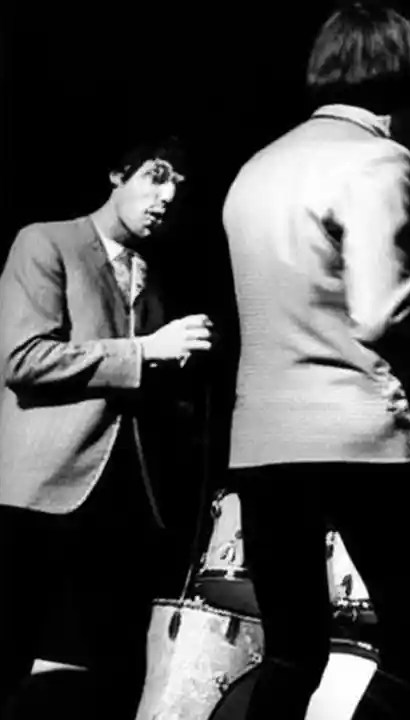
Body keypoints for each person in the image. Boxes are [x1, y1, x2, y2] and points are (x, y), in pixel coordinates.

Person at [221, 2, 410, 718]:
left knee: (294, 650)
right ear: (405, 81)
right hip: (361, 441)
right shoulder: (378, 159)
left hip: (263, 442)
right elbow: (381, 312)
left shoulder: (256, 169)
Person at [0, 136, 212, 717]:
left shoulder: (153, 272)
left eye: (177, 187)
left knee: (102, 675)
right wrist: (144, 351)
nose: (166, 196)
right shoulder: (45, 242)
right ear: (118, 173)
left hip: (125, 503)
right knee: (32, 673)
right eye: (155, 175)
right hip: (46, 495)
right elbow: (23, 359)